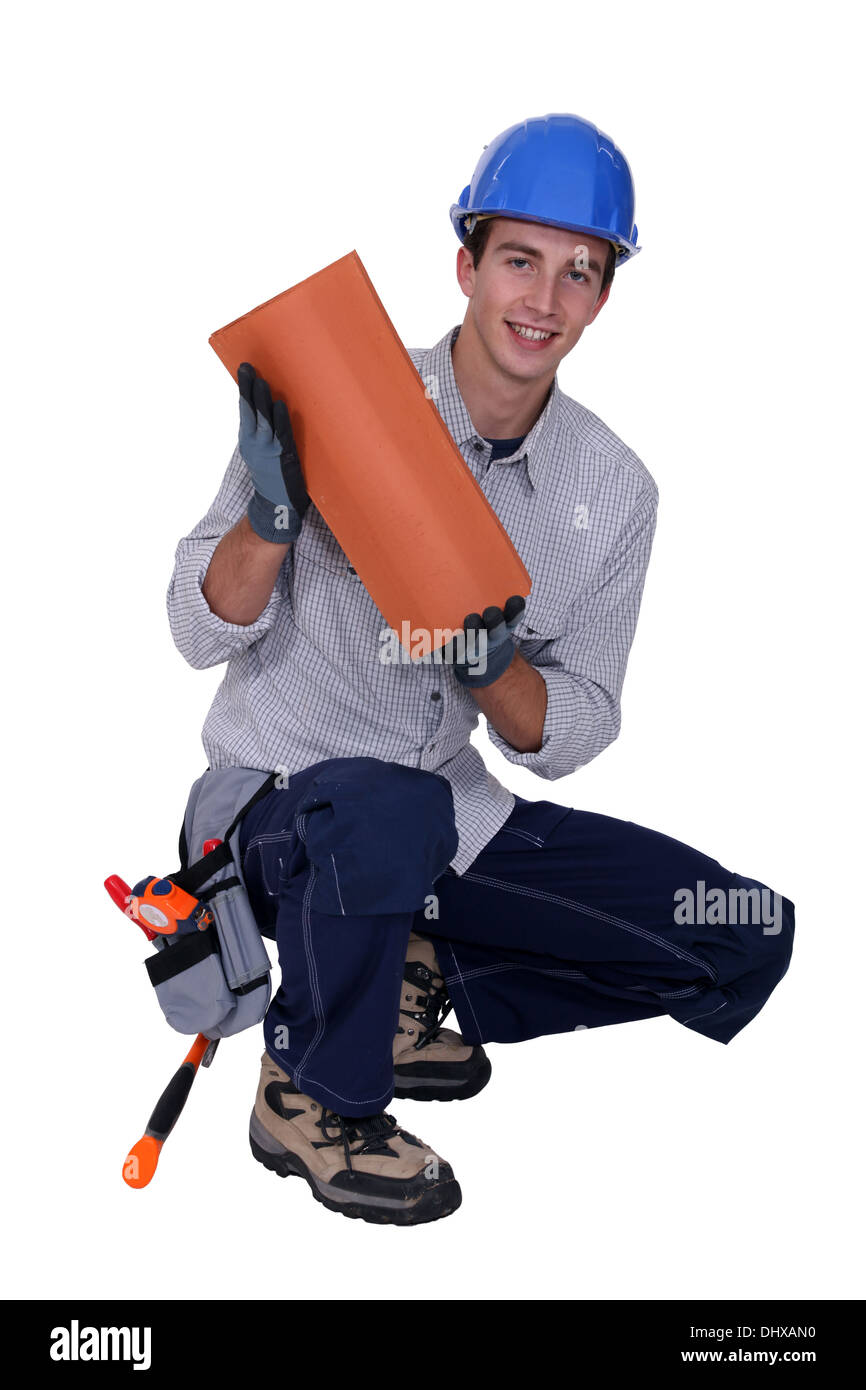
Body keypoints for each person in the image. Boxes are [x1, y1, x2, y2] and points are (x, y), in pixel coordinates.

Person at [167, 113, 794, 1227]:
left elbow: (572, 728)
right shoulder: (334, 399)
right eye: (517, 259)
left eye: (578, 271)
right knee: (384, 804)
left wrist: (493, 667)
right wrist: (272, 515)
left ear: (603, 295)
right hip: (267, 808)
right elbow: (196, 628)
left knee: (740, 924)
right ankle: (317, 1088)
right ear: (466, 264)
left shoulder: (614, 491)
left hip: (451, 819)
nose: (541, 300)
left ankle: (413, 981)